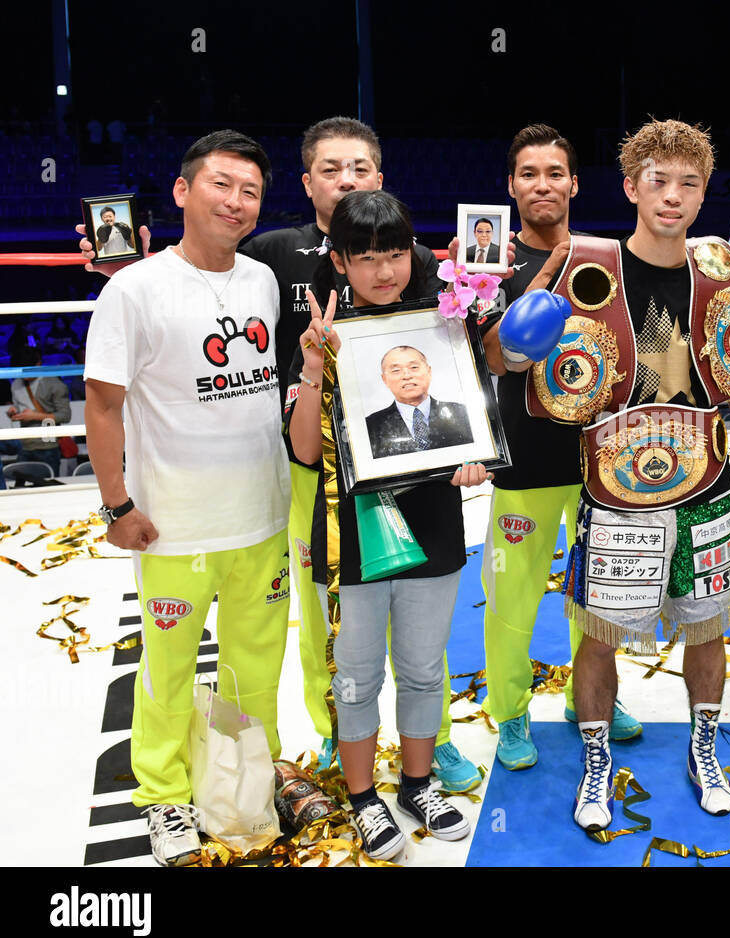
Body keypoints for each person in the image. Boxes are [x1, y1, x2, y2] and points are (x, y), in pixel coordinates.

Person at [79, 116, 482, 790]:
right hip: (303, 467)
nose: (347, 179)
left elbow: (466, 351)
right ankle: (330, 733)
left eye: (360, 168)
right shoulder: (268, 254)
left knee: (411, 623)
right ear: (306, 182)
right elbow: (182, 279)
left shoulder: (417, 260)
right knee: (325, 611)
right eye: (331, 169)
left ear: (380, 178)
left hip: (367, 468)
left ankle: (423, 741)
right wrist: (123, 263)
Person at [503, 119, 730, 831]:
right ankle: (597, 759)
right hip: (612, 488)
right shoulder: (582, 264)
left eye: (688, 184)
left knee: (707, 630)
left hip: (708, 481)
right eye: (657, 181)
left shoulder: (723, 266)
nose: (673, 197)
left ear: (702, 196)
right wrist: (515, 346)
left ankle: (703, 748)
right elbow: (511, 363)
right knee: (599, 633)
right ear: (631, 187)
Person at [82, 130, 291, 866]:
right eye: (222, 185)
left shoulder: (262, 281)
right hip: (172, 526)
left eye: (251, 192)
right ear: (182, 191)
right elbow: (102, 404)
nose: (236, 203)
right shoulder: (133, 289)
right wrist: (117, 506)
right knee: (169, 671)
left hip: (262, 517)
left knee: (255, 669)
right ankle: (163, 795)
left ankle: (244, 784)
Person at [286, 189, 490, 858]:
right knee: (356, 676)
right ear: (339, 261)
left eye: (396, 254)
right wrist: (316, 366)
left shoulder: (439, 326)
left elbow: (470, 420)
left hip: (432, 522)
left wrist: (473, 458)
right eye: (366, 257)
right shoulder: (324, 332)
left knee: (426, 668)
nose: (384, 271)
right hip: (349, 531)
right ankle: (363, 797)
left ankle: (416, 782)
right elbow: (304, 453)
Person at [474, 124, 643, 771]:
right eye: (528, 174)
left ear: (574, 182)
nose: (541, 185)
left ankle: (590, 695)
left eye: (554, 173)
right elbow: (491, 358)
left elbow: (635, 353)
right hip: (524, 459)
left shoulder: (610, 257)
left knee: (597, 593)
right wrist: (524, 325)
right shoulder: (490, 262)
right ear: (511, 185)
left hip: (601, 461)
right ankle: (512, 715)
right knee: (512, 600)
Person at [365, 345, 473, 457]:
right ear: (385, 379)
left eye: (414, 367)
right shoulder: (370, 426)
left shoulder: (463, 413)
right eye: (396, 370)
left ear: (429, 371)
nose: (407, 376)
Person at [3, 343, 71, 476]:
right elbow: (20, 405)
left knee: (48, 486)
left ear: (38, 363)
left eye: (27, 369)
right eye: (20, 370)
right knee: (20, 486)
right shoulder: (16, 383)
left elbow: (65, 415)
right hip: (25, 444)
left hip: (48, 446)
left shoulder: (53, 383)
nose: (23, 375)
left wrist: (34, 416)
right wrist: (14, 410)